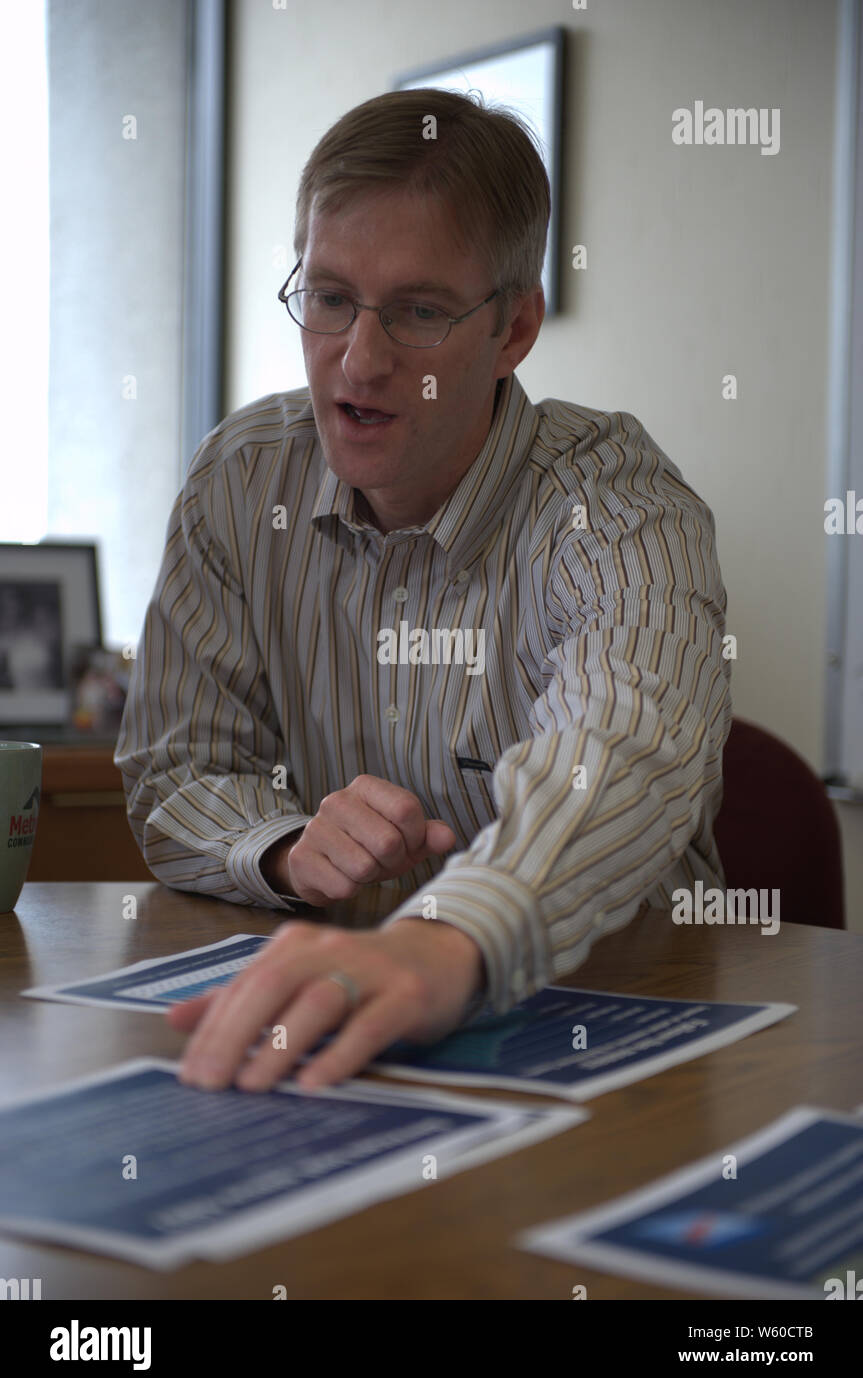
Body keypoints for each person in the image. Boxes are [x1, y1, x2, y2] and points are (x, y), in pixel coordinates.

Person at [115, 88, 731, 1094]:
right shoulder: (239, 478)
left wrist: (446, 931)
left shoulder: (615, 501)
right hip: (337, 1039)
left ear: (513, 329)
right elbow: (175, 767)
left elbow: (621, 751)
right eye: (327, 297)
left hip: (615, 1033)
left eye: (419, 310)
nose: (358, 361)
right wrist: (279, 848)